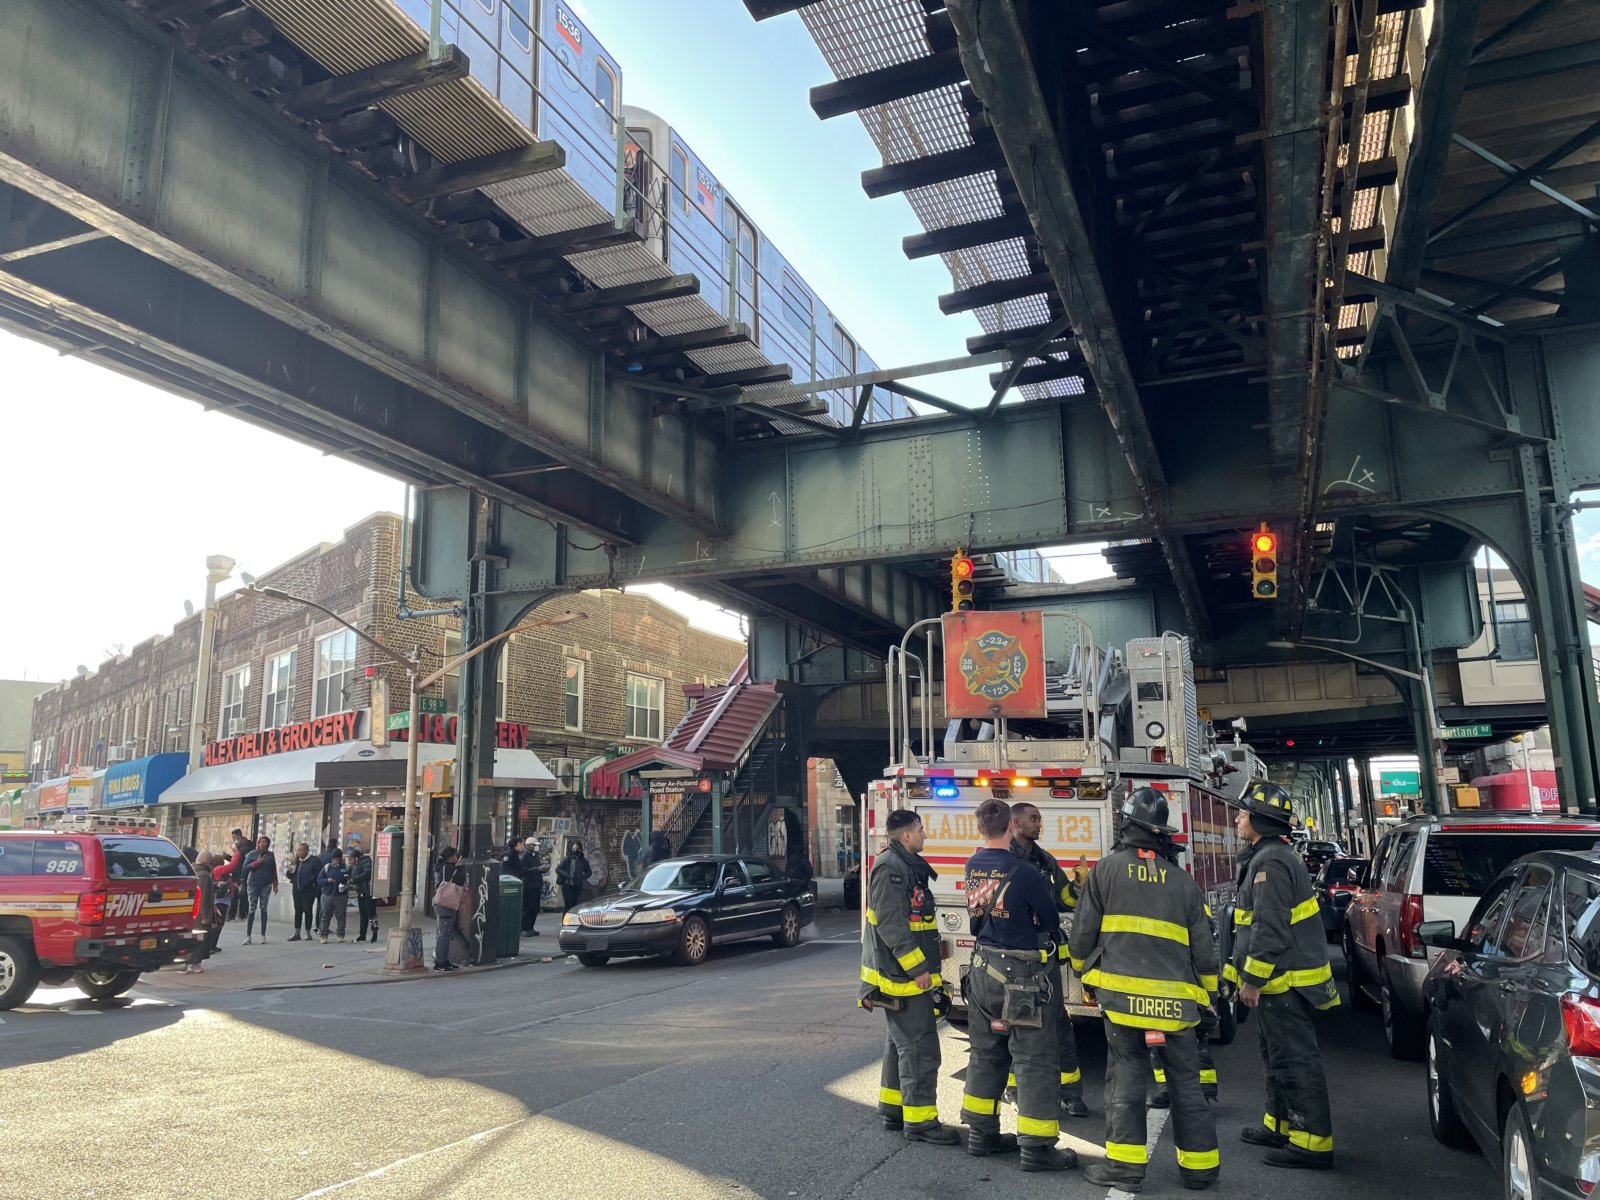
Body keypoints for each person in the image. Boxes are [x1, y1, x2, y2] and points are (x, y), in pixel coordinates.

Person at [1071, 787, 1220, 1192]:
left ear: (1125, 825)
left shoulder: (1104, 871)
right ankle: (1200, 1169)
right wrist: (1208, 997)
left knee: (1126, 1080)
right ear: (1159, 833)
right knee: (1185, 1084)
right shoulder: (1184, 882)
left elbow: (1082, 936)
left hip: (1121, 1004)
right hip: (1178, 1006)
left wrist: (1082, 972)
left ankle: (1124, 1168)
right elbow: (1205, 952)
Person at [1224, 781, 1339, 1171]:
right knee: (1275, 1056)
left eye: (1243, 812)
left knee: (1293, 1060)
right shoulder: (1268, 855)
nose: (1238, 817)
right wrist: (1233, 972)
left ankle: (1312, 1144)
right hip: (1282, 981)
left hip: (1285, 982)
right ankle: (1281, 1125)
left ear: (1258, 820)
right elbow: (1247, 928)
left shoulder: (1270, 863)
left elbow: (1269, 931)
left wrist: (1252, 980)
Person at [961, 799, 1077, 1172]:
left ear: (980, 830)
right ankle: (1037, 1148)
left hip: (980, 971)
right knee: (1034, 1060)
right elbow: (1047, 918)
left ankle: (980, 1135)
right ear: (1010, 826)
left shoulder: (973, 865)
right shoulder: (1024, 872)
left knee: (985, 1054)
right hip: (1019, 976)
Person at [859, 809, 961, 1148]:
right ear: (906, 836)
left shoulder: (902, 865)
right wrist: (918, 970)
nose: (924, 835)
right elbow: (891, 925)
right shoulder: (892, 868)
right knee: (919, 1048)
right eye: (920, 830)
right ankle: (920, 1122)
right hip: (902, 976)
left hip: (900, 976)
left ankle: (894, 1109)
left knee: (900, 1043)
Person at [1010, 801, 1090, 1119]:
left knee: (1058, 1023)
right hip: (1016, 959)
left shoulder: (1045, 861)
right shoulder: (1002, 859)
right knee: (1017, 1025)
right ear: (1015, 822)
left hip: (1046, 960)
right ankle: (1015, 1088)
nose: (1038, 823)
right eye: (1033, 818)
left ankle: (1071, 1093)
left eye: (1039, 818)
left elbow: (1061, 901)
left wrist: (1077, 886)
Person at [1149, 835, 1221, 1108]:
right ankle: (1192, 1089)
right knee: (1186, 1036)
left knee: (1174, 1036)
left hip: (1171, 976)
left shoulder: (1176, 887)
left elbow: (1203, 934)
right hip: (1179, 978)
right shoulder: (1184, 885)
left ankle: (1194, 1089)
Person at [241, 835, 278, 944]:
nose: (263, 844)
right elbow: (245, 868)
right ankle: (248, 936)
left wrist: (275, 883)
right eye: (261, 842)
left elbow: (273, 869)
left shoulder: (270, 855)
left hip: (266, 884)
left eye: (265, 842)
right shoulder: (252, 854)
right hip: (253, 884)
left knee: (263, 909)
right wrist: (256, 863)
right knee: (252, 908)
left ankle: (263, 934)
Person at [182, 849, 213, 974]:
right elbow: (203, 896)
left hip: (191, 911)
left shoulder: (192, 870)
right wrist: (206, 915)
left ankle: (187, 963)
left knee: (191, 937)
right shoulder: (204, 875)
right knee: (199, 939)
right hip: (199, 913)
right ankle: (192, 963)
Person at [433, 865, 468, 972]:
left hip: (441, 903)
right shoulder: (451, 869)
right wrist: (461, 868)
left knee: (445, 933)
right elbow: (461, 879)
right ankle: (440, 962)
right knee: (444, 934)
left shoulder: (440, 868)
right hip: (447, 904)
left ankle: (444, 960)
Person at [286, 843, 320, 942]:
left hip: (309, 889)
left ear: (306, 851)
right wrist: (290, 871)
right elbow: (289, 875)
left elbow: (318, 873)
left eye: (301, 850)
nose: (299, 852)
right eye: (298, 850)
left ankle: (308, 933)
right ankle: (297, 933)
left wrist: (310, 881)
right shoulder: (296, 861)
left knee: (307, 909)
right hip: (297, 889)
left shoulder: (314, 860)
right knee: (298, 910)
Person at [317, 848, 351, 943]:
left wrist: (348, 881)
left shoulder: (346, 867)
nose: (336, 861)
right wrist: (327, 881)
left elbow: (352, 879)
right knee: (325, 915)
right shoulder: (327, 867)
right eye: (334, 859)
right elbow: (319, 880)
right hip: (327, 895)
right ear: (332, 859)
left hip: (341, 895)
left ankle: (340, 934)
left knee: (341, 915)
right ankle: (323, 935)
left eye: (338, 859)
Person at [349, 847, 376, 942]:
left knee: (371, 913)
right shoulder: (355, 865)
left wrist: (355, 879)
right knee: (363, 914)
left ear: (356, 858)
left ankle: (374, 933)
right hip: (361, 891)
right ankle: (362, 934)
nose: (350, 861)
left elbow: (367, 873)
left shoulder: (365, 862)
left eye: (351, 859)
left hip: (368, 891)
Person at [555, 840, 591, 912]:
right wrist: (568, 875)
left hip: (577, 885)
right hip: (567, 884)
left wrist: (581, 877)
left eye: (577, 848)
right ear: (571, 849)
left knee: (574, 905)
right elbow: (558, 869)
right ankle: (565, 922)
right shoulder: (567, 859)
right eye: (574, 848)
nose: (575, 850)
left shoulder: (583, 860)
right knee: (568, 904)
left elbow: (589, 872)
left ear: (580, 849)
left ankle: (572, 921)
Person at [519, 841, 544, 935]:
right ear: (529, 845)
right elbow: (522, 871)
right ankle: (523, 928)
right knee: (527, 908)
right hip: (528, 885)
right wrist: (537, 869)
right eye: (535, 845)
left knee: (534, 908)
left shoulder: (535, 856)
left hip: (536, 884)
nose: (536, 847)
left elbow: (537, 867)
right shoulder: (524, 856)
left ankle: (530, 927)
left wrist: (542, 868)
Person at [229, 829, 252, 922]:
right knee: (234, 894)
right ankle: (233, 915)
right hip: (236, 873)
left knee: (242, 894)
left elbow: (243, 862)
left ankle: (242, 915)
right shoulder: (239, 847)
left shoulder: (246, 847)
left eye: (234, 837)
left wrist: (242, 876)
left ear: (239, 836)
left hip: (242, 874)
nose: (233, 839)